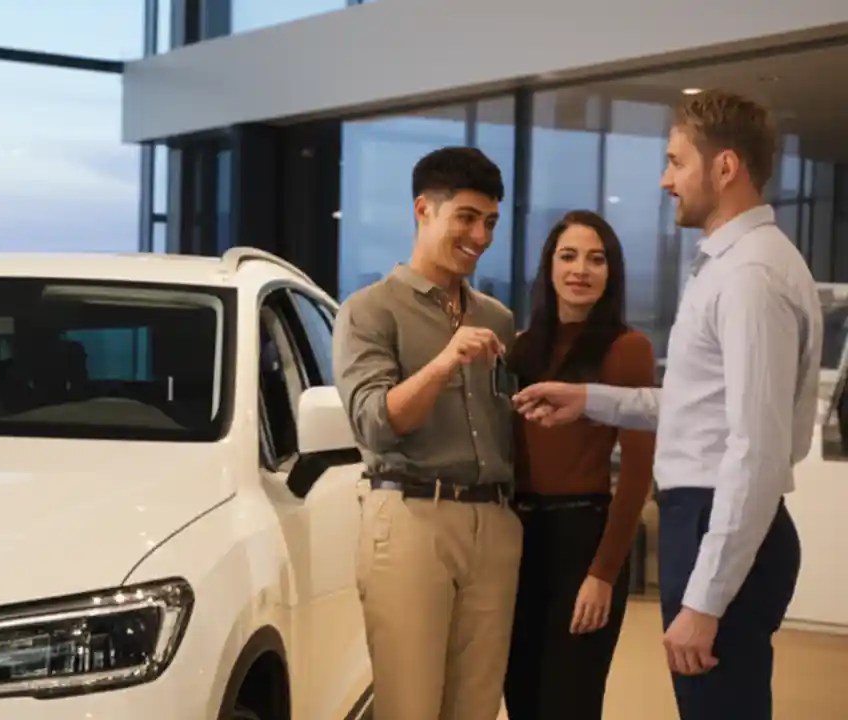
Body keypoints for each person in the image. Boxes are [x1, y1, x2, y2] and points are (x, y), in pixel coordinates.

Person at [511, 89, 823, 720]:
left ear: (725, 167)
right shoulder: (734, 265)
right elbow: (698, 406)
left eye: (677, 162)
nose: (665, 179)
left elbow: (755, 451)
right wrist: (589, 399)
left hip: (716, 518)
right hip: (707, 516)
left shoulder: (749, 277)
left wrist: (705, 603)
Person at [331, 146, 519, 720]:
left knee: (477, 708)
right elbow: (376, 423)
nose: (480, 235)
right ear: (424, 210)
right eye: (466, 216)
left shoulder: (498, 318)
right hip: (411, 517)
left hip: (494, 522)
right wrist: (443, 362)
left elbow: (502, 424)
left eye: (489, 221)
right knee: (409, 706)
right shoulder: (369, 311)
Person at [501, 210, 656, 719]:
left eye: (596, 259)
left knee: (569, 705)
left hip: (582, 539)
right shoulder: (523, 349)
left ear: (611, 273)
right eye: (568, 256)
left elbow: (636, 473)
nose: (580, 270)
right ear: (548, 267)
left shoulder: (627, 349)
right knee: (522, 698)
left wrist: (603, 574)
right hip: (519, 539)